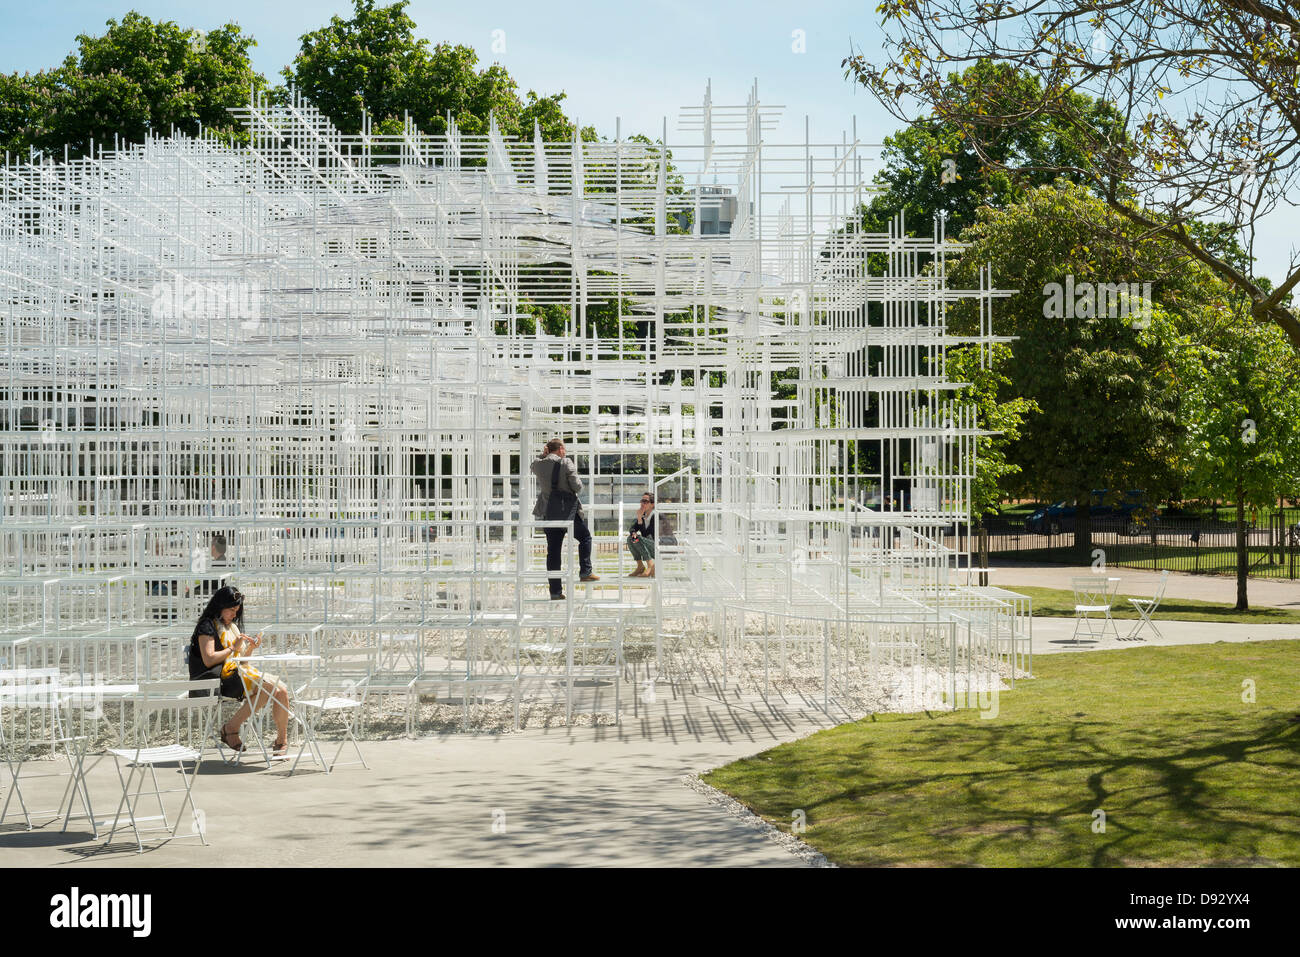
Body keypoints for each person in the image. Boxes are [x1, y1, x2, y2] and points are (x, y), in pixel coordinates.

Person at [188, 585, 291, 755]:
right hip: (219, 679)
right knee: (271, 688)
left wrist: (250, 647)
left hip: (236, 674)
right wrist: (232, 648)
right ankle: (231, 728)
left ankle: (281, 740)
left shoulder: (232, 627)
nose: (234, 615)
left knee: (282, 691)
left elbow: (242, 661)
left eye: (236, 610)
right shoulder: (207, 626)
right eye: (231, 610)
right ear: (220, 607)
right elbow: (209, 659)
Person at [530, 439, 598, 599]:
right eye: (564, 449)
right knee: (585, 537)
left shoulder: (538, 465)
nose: (565, 452)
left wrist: (543, 453)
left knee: (553, 552)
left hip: (549, 512)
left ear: (548, 450)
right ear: (560, 449)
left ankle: (555, 591)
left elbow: (533, 464)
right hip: (568, 513)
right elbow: (578, 487)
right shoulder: (566, 462)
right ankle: (585, 571)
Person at [627, 493, 656, 577]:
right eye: (641, 501)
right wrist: (634, 533)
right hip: (650, 545)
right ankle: (640, 566)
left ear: (652, 504)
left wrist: (639, 519)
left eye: (645, 501)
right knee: (631, 538)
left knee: (637, 538)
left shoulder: (656, 515)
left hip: (660, 546)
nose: (642, 503)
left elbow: (648, 534)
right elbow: (632, 529)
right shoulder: (642, 515)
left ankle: (650, 565)